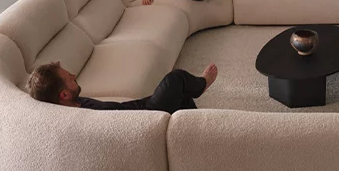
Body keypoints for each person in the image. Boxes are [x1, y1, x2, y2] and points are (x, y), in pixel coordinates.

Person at [26, 61, 218, 113]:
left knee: (181, 96)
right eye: (70, 78)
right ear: (64, 94)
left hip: (138, 108)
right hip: (145, 118)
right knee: (175, 79)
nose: (74, 76)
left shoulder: (71, 103)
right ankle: (202, 84)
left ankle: (196, 128)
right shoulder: (82, 116)